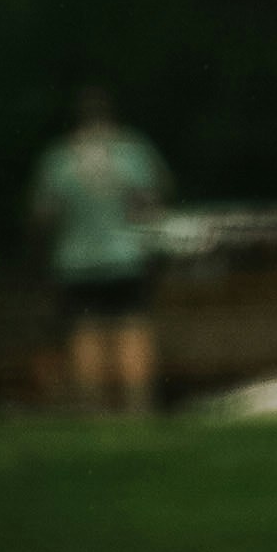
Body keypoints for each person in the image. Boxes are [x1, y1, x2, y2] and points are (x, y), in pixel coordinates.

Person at [30, 80, 172, 413]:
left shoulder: (59, 158)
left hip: (75, 261)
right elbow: (151, 202)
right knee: (131, 329)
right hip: (125, 256)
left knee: (85, 334)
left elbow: (43, 215)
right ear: (111, 114)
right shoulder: (132, 151)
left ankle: (94, 411)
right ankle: (137, 409)